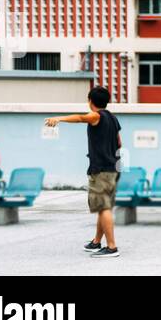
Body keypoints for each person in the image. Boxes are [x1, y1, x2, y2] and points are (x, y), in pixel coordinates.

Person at [45, 86, 123, 257]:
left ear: (90, 101)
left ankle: (112, 247)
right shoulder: (113, 118)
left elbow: (81, 118)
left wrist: (59, 119)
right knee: (104, 207)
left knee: (103, 208)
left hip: (102, 169)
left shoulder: (97, 116)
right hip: (113, 168)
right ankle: (96, 242)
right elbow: (119, 143)